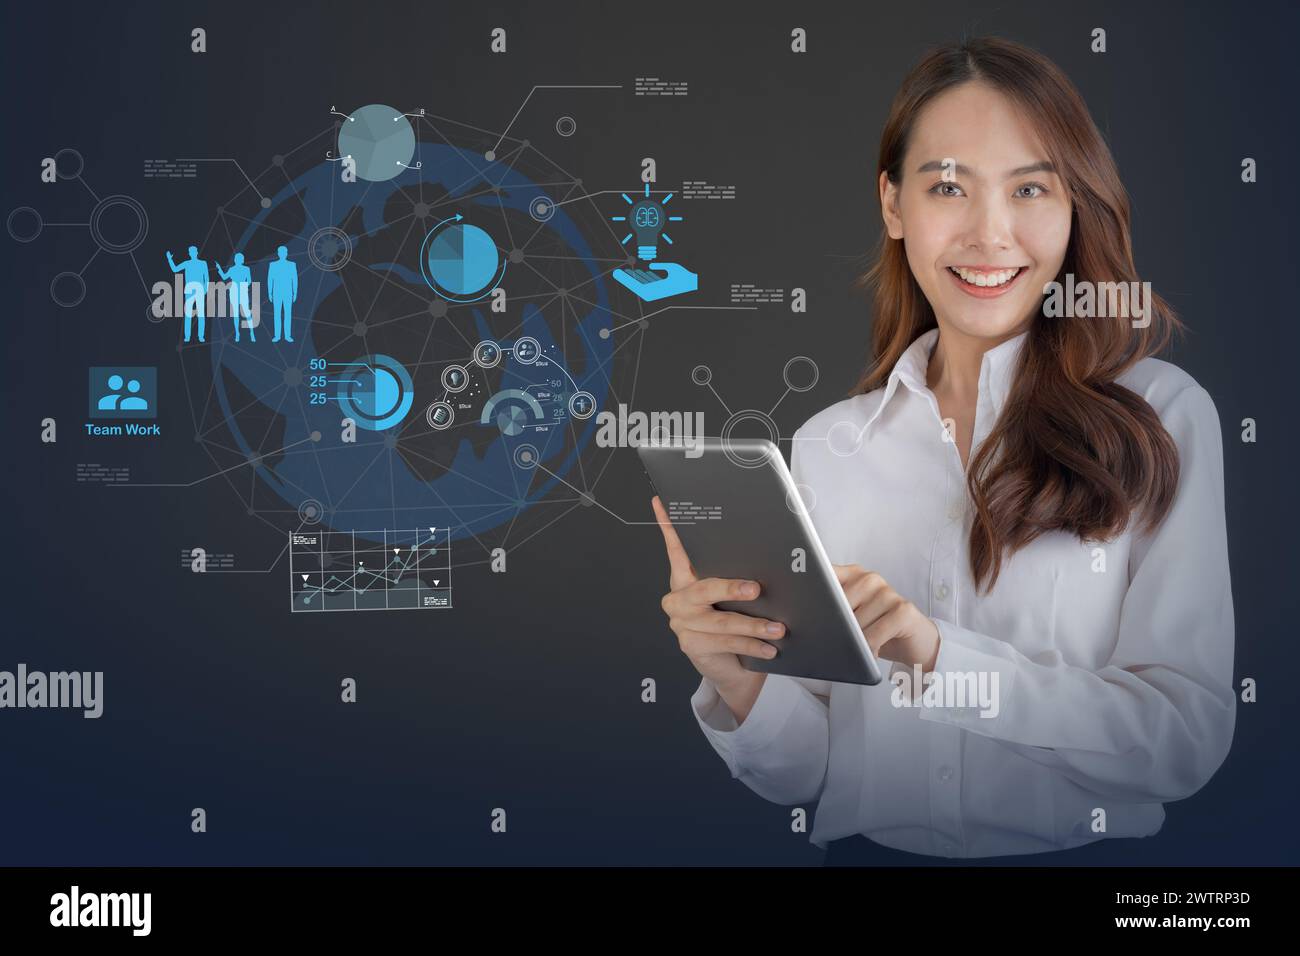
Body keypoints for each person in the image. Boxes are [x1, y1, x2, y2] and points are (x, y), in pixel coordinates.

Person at [653, 37, 1235, 866]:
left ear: (1076, 207)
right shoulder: (829, 445)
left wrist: (939, 659)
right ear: (893, 206)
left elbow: (1185, 740)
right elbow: (810, 772)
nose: (989, 234)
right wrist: (736, 674)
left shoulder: (1163, 418)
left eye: (1030, 187)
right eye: (948, 187)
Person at [166, 245, 209, 343]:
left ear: (197, 252)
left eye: (194, 251)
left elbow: (206, 277)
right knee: (188, 315)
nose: (193, 253)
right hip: (189, 290)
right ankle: (187, 336)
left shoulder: (203, 263)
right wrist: (169, 259)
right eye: (191, 252)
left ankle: (201, 336)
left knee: (201, 314)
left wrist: (205, 289)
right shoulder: (187, 263)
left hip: (199, 289)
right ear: (189, 254)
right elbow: (175, 269)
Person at [215, 252, 256, 343]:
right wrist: (219, 269)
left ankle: (252, 332)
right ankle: (237, 334)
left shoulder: (246, 269)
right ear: (235, 260)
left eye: (240, 259)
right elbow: (224, 277)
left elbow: (249, 281)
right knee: (236, 314)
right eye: (237, 259)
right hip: (234, 292)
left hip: (242, 291)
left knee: (247, 313)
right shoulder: (232, 269)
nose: (239, 260)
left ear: (242, 260)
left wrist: (242, 286)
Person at [267, 245, 298, 343]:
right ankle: (277, 336)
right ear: (278, 253)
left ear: (287, 253)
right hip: (277, 293)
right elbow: (269, 279)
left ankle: (288, 336)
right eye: (281, 252)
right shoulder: (273, 265)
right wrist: (270, 292)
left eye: (285, 252)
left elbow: (295, 279)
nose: (283, 254)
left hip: (288, 293)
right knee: (277, 315)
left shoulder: (292, 265)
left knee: (288, 314)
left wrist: (295, 292)